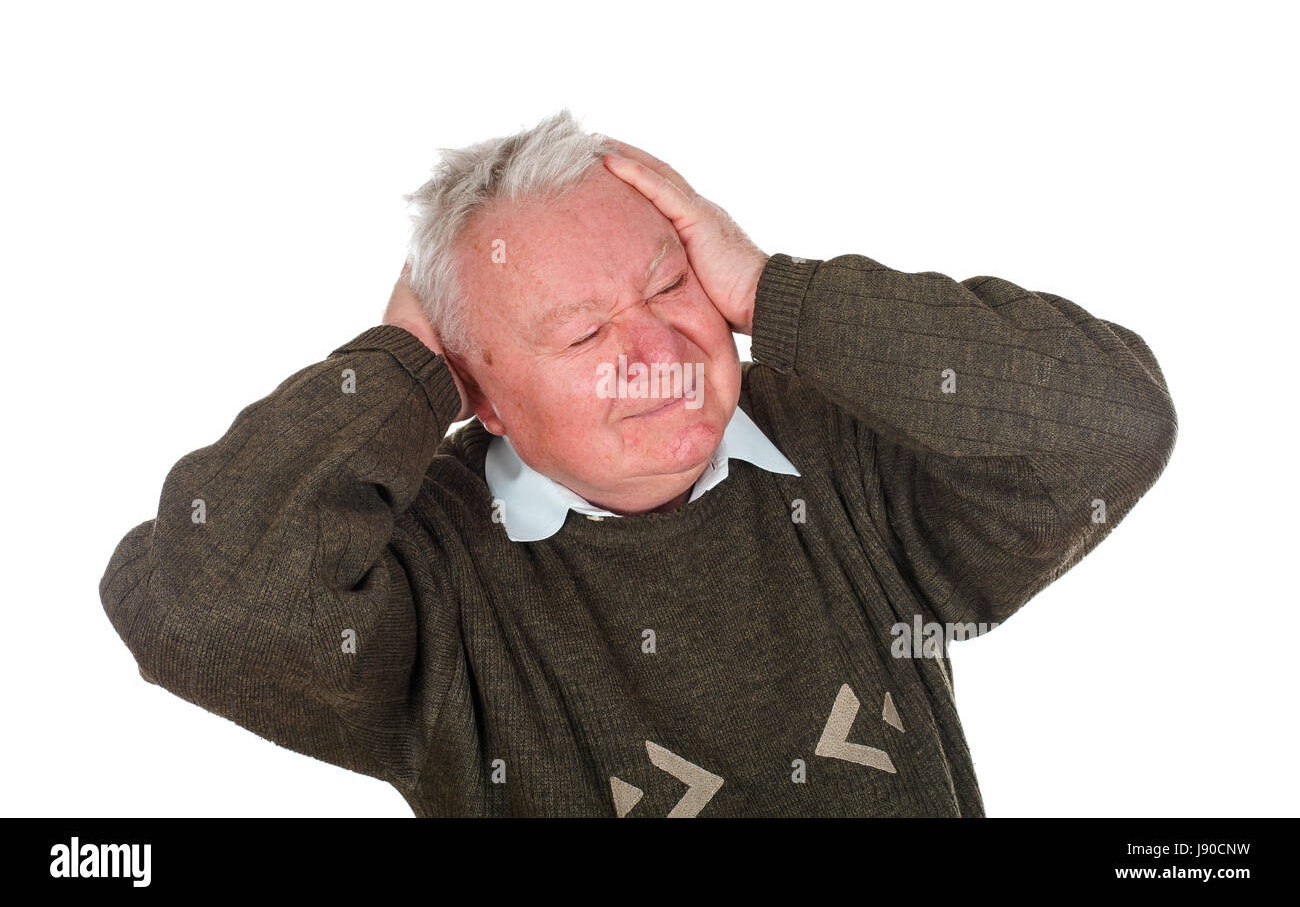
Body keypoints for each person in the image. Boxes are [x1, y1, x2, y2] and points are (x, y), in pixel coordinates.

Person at [99, 109, 1178, 816]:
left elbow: (1110, 424)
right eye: (581, 335)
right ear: (479, 391)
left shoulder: (842, 449)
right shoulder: (423, 573)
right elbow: (204, 606)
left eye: (671, 288)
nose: (658, 354)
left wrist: (777, 295)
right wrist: (401, 368)